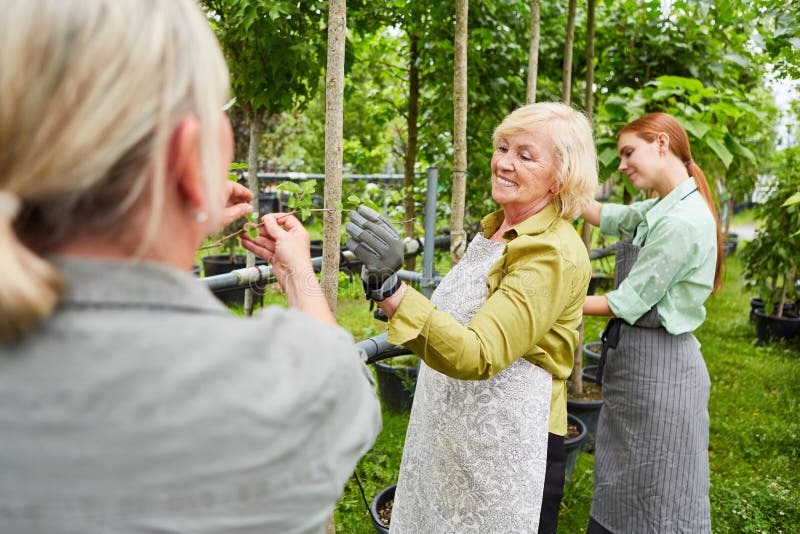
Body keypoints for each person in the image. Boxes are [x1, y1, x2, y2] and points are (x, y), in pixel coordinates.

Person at [0, 1, 380, 532]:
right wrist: (297, 273)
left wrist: (173, 216)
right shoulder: (282, 385)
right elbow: (347, 380)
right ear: (189, 151)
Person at [346, 102, 598, 533]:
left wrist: (392, 290)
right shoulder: (499, 228)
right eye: (503, 147)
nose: (504, 162)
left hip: (508, 448)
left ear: (560, 177)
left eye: (525, 155)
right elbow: (454, 318)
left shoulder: (550, 252)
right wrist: (378, 282)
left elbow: (478, 352)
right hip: (452, 434)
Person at [581, 112, 721, 533]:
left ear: (661, 143)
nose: (622, 165)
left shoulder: (681, 221)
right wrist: (558, 186)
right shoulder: (665, 205)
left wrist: (553, 302)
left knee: (659, 492)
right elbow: (605, 215)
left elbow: (628, 301)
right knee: (624, 477)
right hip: (639, 363)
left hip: (663, 374)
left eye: (628, 153)